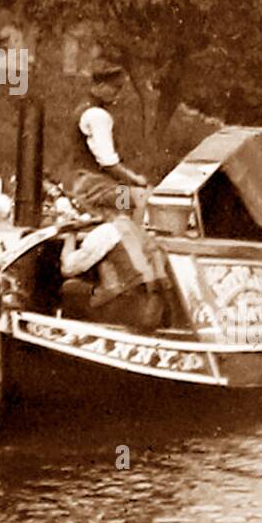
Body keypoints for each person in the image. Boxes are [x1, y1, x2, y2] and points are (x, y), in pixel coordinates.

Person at [58, 203, 171, 330]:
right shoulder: (138, 229)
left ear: (103, 210)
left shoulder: (107, 231)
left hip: (126, 306)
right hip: (154, 306)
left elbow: (68, 269)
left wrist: (71, 233)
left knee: (69, 287)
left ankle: (68, 335)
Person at [67, 59, 147, 217]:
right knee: (139, 197)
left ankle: (122, 228)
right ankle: (130, 238)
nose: (118, 94)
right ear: (101, 86)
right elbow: (108, 162)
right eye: (115, 88)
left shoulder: (83, 108)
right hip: (92, 185)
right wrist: (136, 179)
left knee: (127, 196)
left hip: (81, 181)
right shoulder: (97, 115)